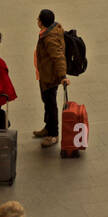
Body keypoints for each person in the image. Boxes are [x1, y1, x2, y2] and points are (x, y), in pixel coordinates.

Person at [33, 9, 69, 148]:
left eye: (38, 19)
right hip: (45, 74)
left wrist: (63, 77)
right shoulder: (51, 31)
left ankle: (53, 134)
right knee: (46, 102)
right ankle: (48, 127)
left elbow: (58, 57)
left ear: (41, 23)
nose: (37, 21)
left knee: (50, 104)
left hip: (50, 77)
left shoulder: (50, 38)